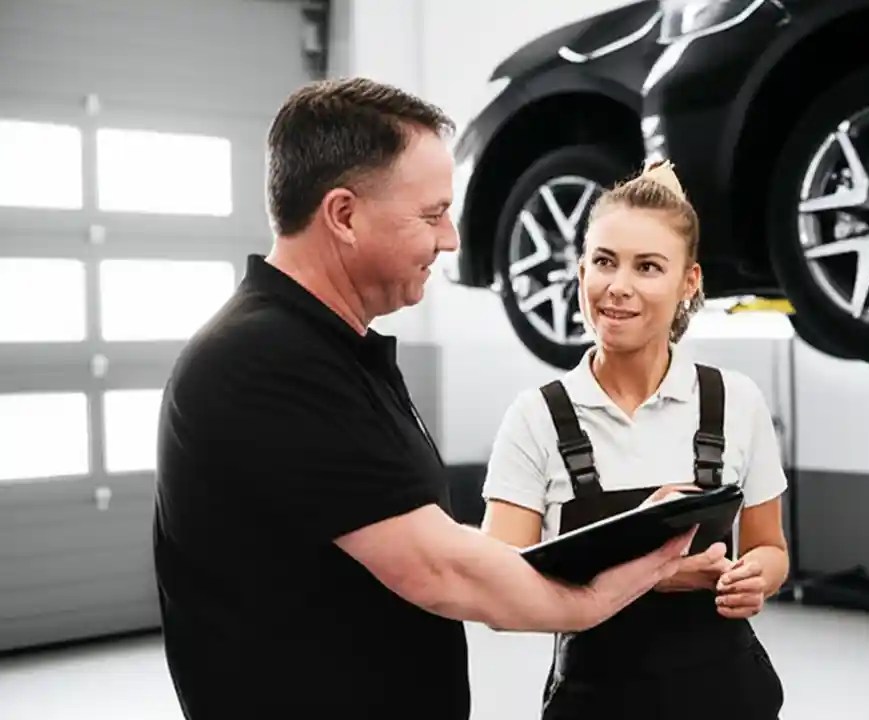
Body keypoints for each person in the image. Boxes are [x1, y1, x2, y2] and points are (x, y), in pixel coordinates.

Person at [151, 77, 695, 720]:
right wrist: (601, 597)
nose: (452, 239)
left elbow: (422, 535)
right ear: (344, 215)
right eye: (432, 214)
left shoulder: (333, 351)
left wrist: (616, 536)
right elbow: (441, 572)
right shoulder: (262, 362)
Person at [480, 160, 791, 720]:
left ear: (688, 282)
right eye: (604, 262)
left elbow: (771, 548)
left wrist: (754, 578)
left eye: (648, 267)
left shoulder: (735, 402)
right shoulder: (537, 419)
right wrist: (657, 574)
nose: (618, 287)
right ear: (580, 273)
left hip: (727, 698)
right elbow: (497, 587)